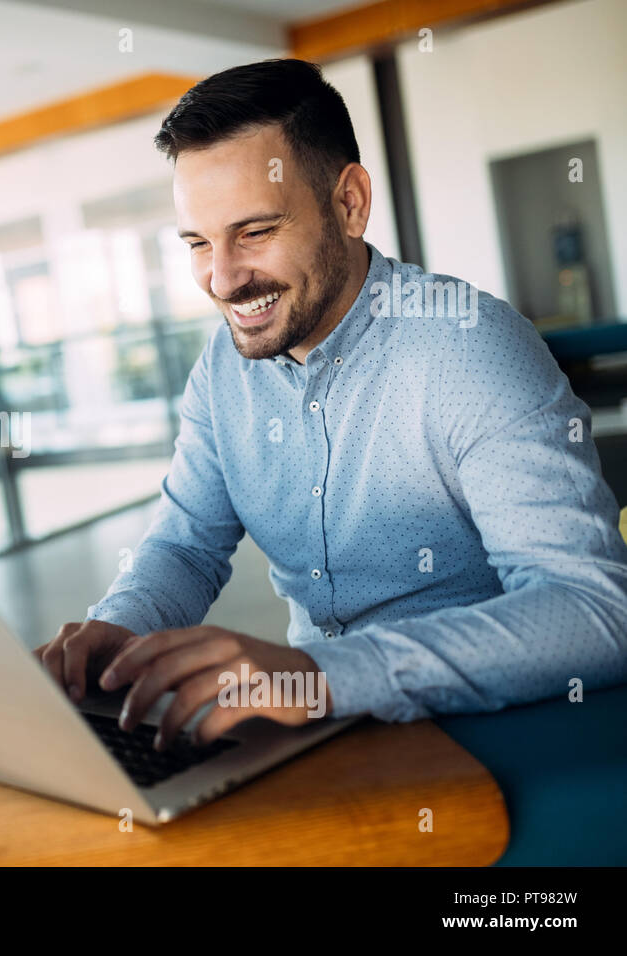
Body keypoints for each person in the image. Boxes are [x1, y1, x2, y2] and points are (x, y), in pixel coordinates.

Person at [34, 58, 627, 750]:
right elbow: (186, 544)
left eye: (254, 232)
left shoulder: (470, 349)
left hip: (490, 732)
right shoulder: (223, 371)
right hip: (317, 735)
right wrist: (120, 628)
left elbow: (595, 612)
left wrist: (317, 677)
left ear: (349, 203)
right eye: (198, 242)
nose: (222, 280)